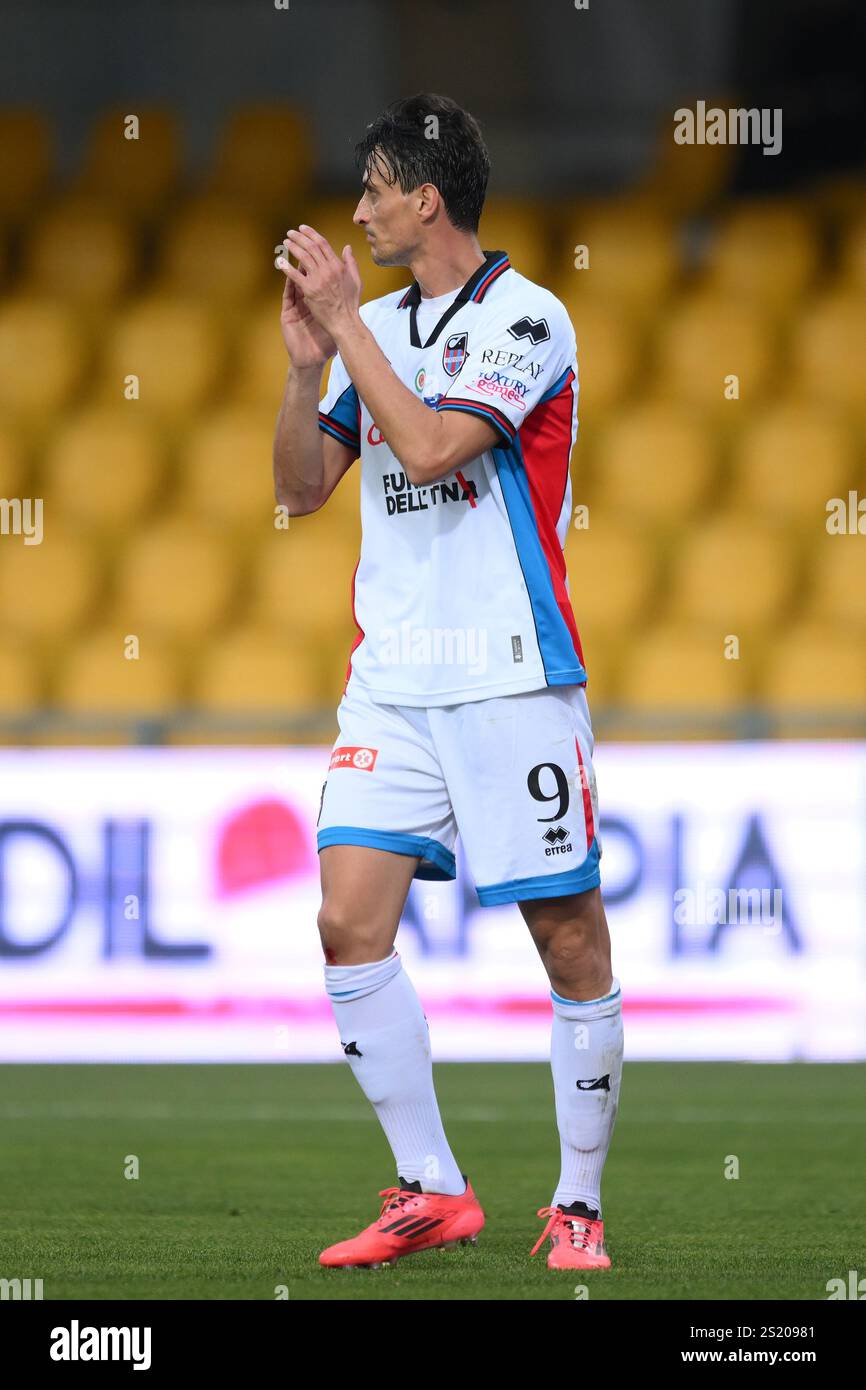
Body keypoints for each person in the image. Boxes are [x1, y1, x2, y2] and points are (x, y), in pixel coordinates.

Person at [273, 93, 622, 1272]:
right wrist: (307, 362)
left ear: (426, 197)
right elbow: (297, 489)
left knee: (566, 940)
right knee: (344, 920)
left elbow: (427, 447)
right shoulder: (364, 327)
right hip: (393, 686)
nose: (358, 207)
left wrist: (348, 330)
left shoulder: (529, 319)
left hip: (510, 675)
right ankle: (432, 1187)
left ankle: (577, 1204)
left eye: (374, 187)